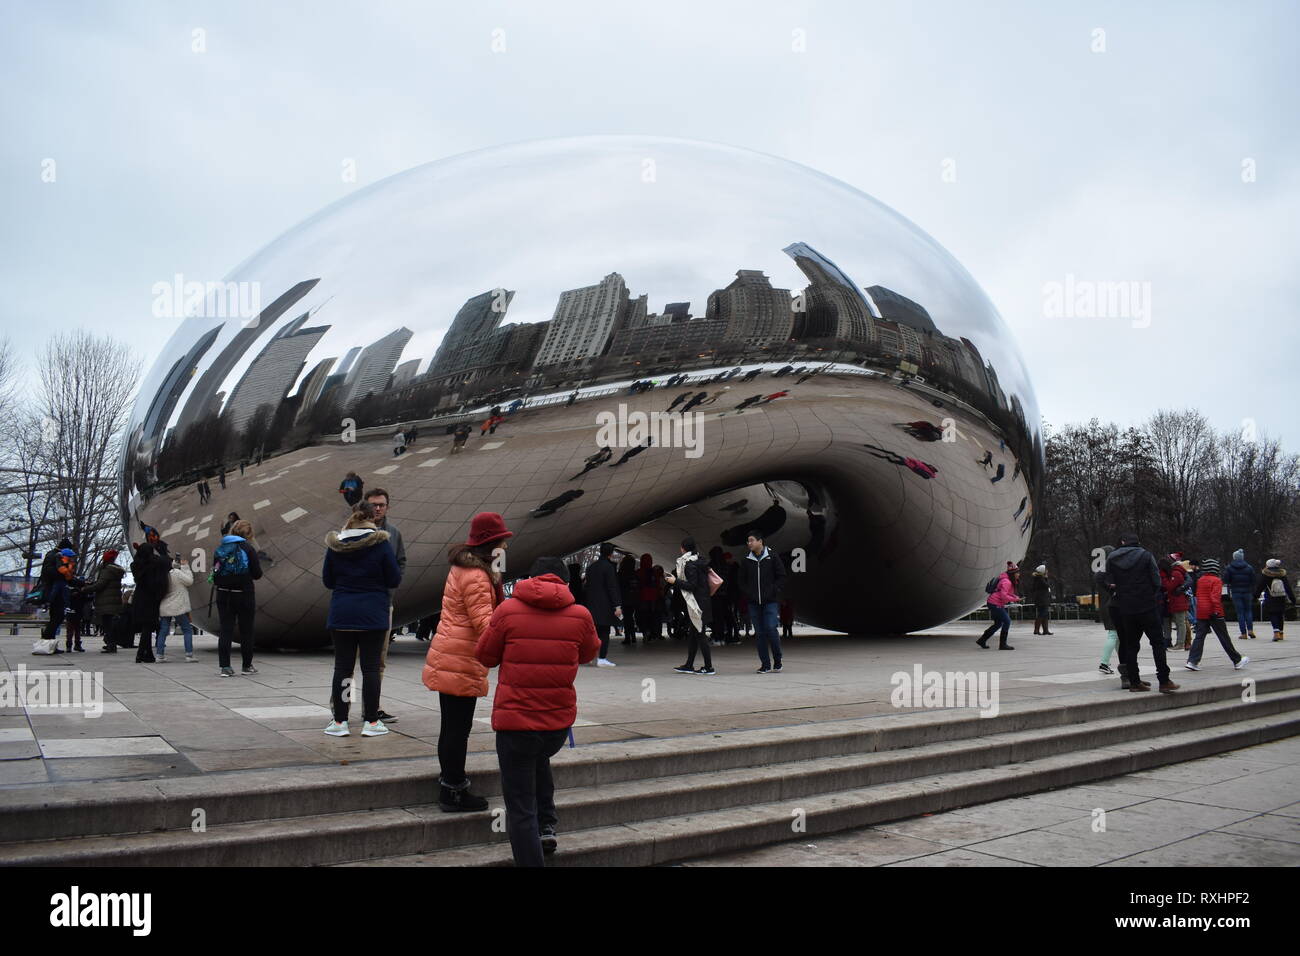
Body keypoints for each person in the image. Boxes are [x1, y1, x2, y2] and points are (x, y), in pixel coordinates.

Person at [474, 557, 600, 866]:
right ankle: (547, 825)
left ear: (531, 578)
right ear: (565, 582)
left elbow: (485, 656)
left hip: (515, 723)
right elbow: (588, 653)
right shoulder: (580, 614)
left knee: (519, 808)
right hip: (555, 725)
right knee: (539, 758)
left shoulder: (507, 611)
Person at [423, 512, 512, 812]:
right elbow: (484, 624)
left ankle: (449, 781)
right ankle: (453, 790)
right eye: (502, 541)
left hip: (451, 653)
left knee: (451, 725)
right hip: (460, 658)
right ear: (490, 544)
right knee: (457, 728)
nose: (506, 547)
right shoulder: (476, 576)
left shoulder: (463, 568)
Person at [323, 505, 402, 737]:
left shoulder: (336, 546)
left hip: (342, 614)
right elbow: (394, 577)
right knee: (370, 669)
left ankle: (340, 722)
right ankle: (371, 722)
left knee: (343, 669)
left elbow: (328, 580)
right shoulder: (381, 544)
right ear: (370, 524)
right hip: (372, 615)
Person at [1106, 533, 1178, 694]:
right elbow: (1156, 581)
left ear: (1123, 542)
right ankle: (1164, 680)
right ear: (1138, 543)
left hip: (1126, 607)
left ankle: (1134, 681)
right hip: (1146, 605)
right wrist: (1149, 596)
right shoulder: (1146, 555)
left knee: (1131, 645)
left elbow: (1109, 581)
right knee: (1157, 643)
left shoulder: (1112, 558)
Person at [362, 488, 405, 723]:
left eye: (382, 504)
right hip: (359, 607)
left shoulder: (394, 533)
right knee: (347, 663)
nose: (378, 508)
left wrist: (390, 588)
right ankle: (339, 710)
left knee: (378, 661)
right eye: (374, 504)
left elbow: (401, 562)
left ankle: (372, 707)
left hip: (383, 605)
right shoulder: (353, 532)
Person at [212, 519, 263, 677]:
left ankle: (225, 667)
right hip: (244, 594)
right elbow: (257, 574)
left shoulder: (221, 548)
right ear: (249, 534)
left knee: (225, 629)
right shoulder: (249, 549)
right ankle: (246, 666)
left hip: (223, 594)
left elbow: (215, 574)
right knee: (246, 630)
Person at [1185, 558, 1248, 672]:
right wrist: (1217, 611)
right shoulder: (1216, 580)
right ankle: (1237, 660)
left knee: (1199, 637)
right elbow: (1215, 598)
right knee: (1224, 637)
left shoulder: (1200, 580)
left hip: (1201, 611)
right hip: (1214, 612)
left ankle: (1192, 661)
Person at [739, 530, 787, 673]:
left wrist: (773, 590)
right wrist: (748, 593)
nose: (749, 543)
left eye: (752, 540)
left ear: (760, 541)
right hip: (754, 603)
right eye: (748, 541)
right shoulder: (746, 560)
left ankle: (777, 660)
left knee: (771, 628)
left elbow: (782, 576)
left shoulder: (772, 557)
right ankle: (765, 664)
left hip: (770, 601)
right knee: (759, 633)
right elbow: (741, 580)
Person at [666, 537, 714, 674]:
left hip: (696, 604)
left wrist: (675, 581)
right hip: (702, 601)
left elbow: (692, 586)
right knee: (694, 635)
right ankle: (689, 664)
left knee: (700, 635)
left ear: (683, 548)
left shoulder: (690, 564)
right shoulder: (699, 561)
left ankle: (709, 667)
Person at [582, 542, 622, 666]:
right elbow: (612, 587)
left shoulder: (591, 567)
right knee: (604, 632)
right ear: (610, 553)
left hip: (591, 603)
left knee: (592, 633)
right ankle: (602, 658)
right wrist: (617, 605)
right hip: (605, 605)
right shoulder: (609, 567)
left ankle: (588, 657)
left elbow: (586, 587)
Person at [130, 541, 169, 663]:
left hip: (139, 596)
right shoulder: (155, 564)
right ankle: (141, 653)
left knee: (146, 627)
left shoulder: (135, 565)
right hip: (150, 598)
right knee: (148, 626)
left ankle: (147, 654)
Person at [156, 554, 196, 663]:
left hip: (165, 606)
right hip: (178, 605)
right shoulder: (176, 573)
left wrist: (176, 566)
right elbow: (189, 581)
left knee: (163, 630)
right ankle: (189, 655)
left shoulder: (159, 575)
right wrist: (185, 567)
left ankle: (159, 655)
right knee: (187, 629)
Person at [976, 562, 1021, 650]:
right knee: (1007, 621)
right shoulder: (1007, 582)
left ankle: (982, 640)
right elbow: (1003, 596)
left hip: (994, 603)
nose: (1019, 574)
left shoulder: (1007, 580)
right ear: (1012, 574)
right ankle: (1002, 644)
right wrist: (1015, 599)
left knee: (998, 624)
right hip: (995, 603)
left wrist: (1015, 597)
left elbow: (1004, 593)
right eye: (1017, 573)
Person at [91, 549, 126, 653]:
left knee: (107, 624)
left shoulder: (107, 571)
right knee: (110, 623)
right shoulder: (116, 571)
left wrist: (86, 588)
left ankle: (111, 644)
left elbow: (100, 585)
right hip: (113, 601)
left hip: (106, 601)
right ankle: (111, 643)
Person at [1094, 546, 1120, 678]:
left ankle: (1124, 663)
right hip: (1112, 605)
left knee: (1117, 637)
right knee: (1113, 635)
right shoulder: (1110, 572)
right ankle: (1104, 663)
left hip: (1106, 606)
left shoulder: (1101, 571)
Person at [1254, 558, 1295, 642]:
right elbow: (1287, 587)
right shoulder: (1282, 574)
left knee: (1273, 614)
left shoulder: (1266, 574)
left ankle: (1276, 632)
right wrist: (1292, 598)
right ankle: (1281, 633)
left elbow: (1260, 586)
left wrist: (1255, 596)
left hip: (1271, 596)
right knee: (1280, 614)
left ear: (1268, 565)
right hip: (1281, 597)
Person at [1222, 548, 1258, 639]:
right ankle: (1250, 629)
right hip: (1247, 592)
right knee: (1248, 611)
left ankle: (1243, 633)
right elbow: (1254, 580)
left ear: (1234, 558)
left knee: (1240, 613)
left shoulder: (1229, 568)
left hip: (1236, 592)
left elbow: (1226, 580)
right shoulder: (1249, 567)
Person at [1160, 556, 1191, 650]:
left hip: (1178, 601)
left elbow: (1169, 586)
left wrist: (1164, 578)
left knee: (1180, 623)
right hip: (1177, 601)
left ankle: (1181, 643)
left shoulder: (1175, 573)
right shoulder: (1179, 572)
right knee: (1181, 622)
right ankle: (1183, 643)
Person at [617, 554, 640, 646]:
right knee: (630, 617)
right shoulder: (635, 574)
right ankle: (633, 636)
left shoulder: (621, 574)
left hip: (625, 598)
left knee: (627, 618)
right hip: (634, 598)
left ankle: (628, 637)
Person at [1029, 565, 1052, 634]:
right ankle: (1036, 630)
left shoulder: (1038, 578)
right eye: (1046, 570)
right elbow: (1047, 585)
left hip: (1042, 598)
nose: (1047, 571)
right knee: (1042, 614)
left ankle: (1045, 630)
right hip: (1041, 599)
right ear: (1043, 571)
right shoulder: (1040, 578)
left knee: (1044, 614)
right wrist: (1046, 578)